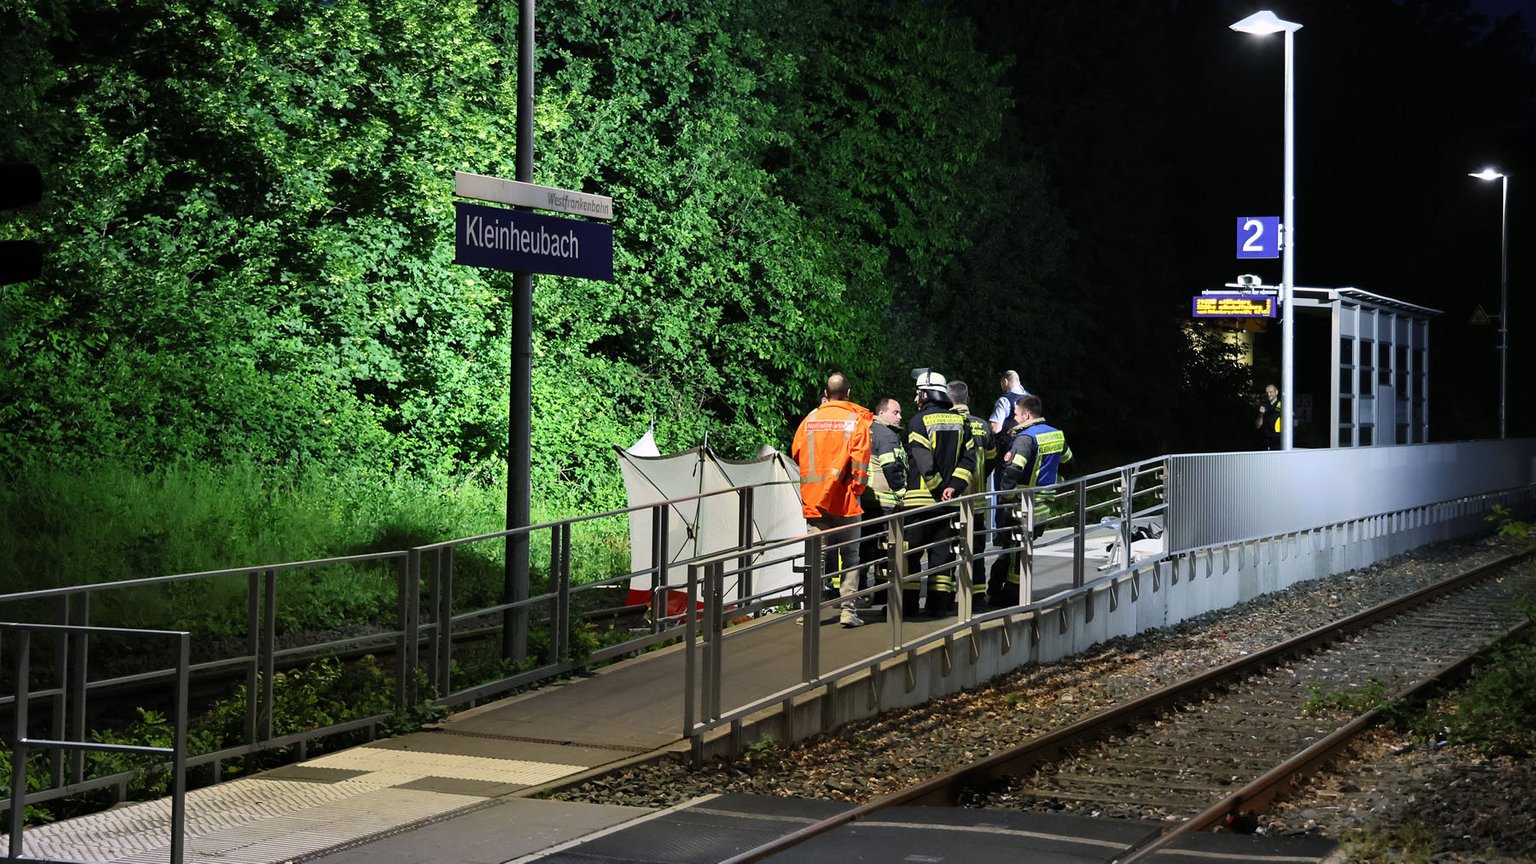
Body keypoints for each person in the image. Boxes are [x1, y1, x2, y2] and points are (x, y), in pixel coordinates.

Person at [791, 373, 873, 628]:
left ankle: (811, 613)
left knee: (816, 558)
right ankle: (848, 612)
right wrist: (856, 489)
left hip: (815, 502)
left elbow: (796, 454)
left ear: (826, 393)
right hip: (846, 503)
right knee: (851, 557)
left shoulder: (809, 420)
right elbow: (860, 464)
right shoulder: (856, 421)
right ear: (848, 393)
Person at [902, 370, 977, 618]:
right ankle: (938, 606)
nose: (915, 400)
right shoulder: (961, 422)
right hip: (950, 503)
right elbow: (970, 460)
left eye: (917, 394)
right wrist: (953, 487)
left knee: (910, 556)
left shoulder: (918, 421)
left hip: (919, 504)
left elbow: (924, 462)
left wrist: (936, 488)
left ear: (926, 393)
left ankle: (908, 607)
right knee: (942, 557)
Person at [989, 394, 1073, 607]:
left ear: (1026, 415)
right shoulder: (1056, 435)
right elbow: (1069, 462)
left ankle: (1011, 595)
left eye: (1016, 414)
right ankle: (997, 587)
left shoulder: (1025, 438)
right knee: (1015, 549)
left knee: (1015, 551)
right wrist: (1057, 480)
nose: (1014, 419)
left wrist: (1005, 496)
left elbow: (1014, 470)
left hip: (1021, 506)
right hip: (1042, 507)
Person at [857, 397, 907, 605]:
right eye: (895, 412)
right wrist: (902, 491)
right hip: (883, 502)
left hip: (863, 500)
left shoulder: (865, 429)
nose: (899, 417)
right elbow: (890, 467)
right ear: (882, 412)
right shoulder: (887, 435)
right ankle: (881, 595)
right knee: (884, 550)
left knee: (862, 550)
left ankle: (858, 591)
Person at [947, 380, 994, 606]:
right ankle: (976, 596)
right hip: (977, 499)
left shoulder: (946, 423)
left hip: (951, 500)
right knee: (976, 551)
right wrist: (980, 477)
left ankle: (945, 598)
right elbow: (993, 459)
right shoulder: (983, 426)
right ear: (968, 399)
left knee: (946, 551)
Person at [987, 371, 1030, 534]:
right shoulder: (1031, 399)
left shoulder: (1005, 400)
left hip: (1008, 454)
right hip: (1028, 452)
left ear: (1006, 381)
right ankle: (1024, 528)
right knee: (1024, 492)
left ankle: (1002, 533)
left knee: (1004, 492)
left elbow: (995, 428)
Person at [1256, 383, 1282, 450]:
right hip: (1265, 442)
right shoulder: (1263, 406)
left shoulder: (1283, 405)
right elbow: (1258, 426)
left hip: (1278, 442)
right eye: (1267, 392)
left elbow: (1293, 422)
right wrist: (1261, 414)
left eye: (1271, 392)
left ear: (1276, 392)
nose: (1269, 394)